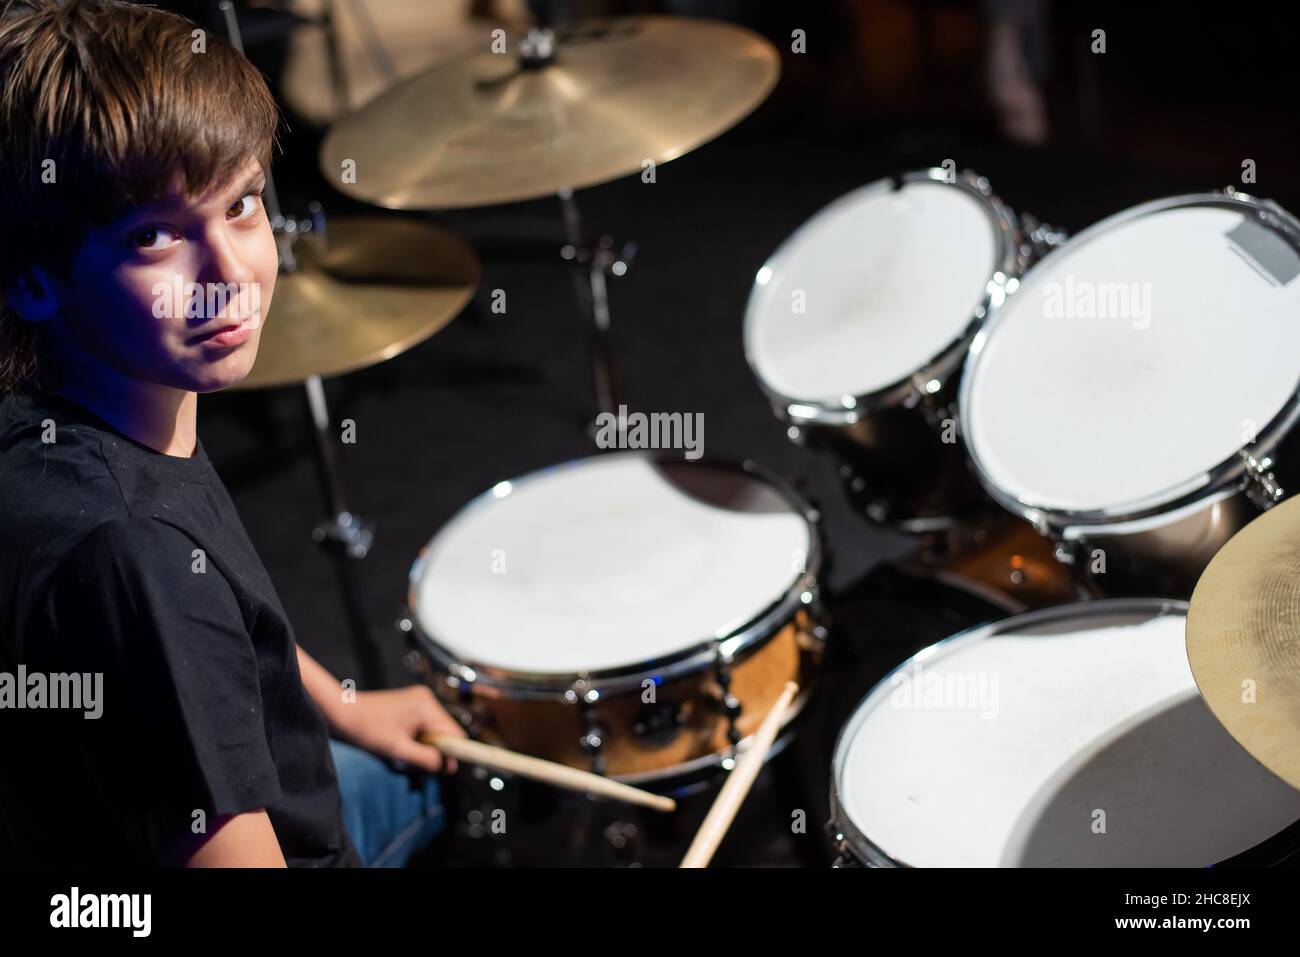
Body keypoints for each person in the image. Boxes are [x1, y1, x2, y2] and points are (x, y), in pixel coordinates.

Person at [0, 0, 466, 867]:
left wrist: (343, 707)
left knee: (444, 765)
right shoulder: (131, 550)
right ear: (31, 280)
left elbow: (208, 637)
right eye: (153, 236)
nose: (228, 276)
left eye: (244, 204)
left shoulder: (73, 408)